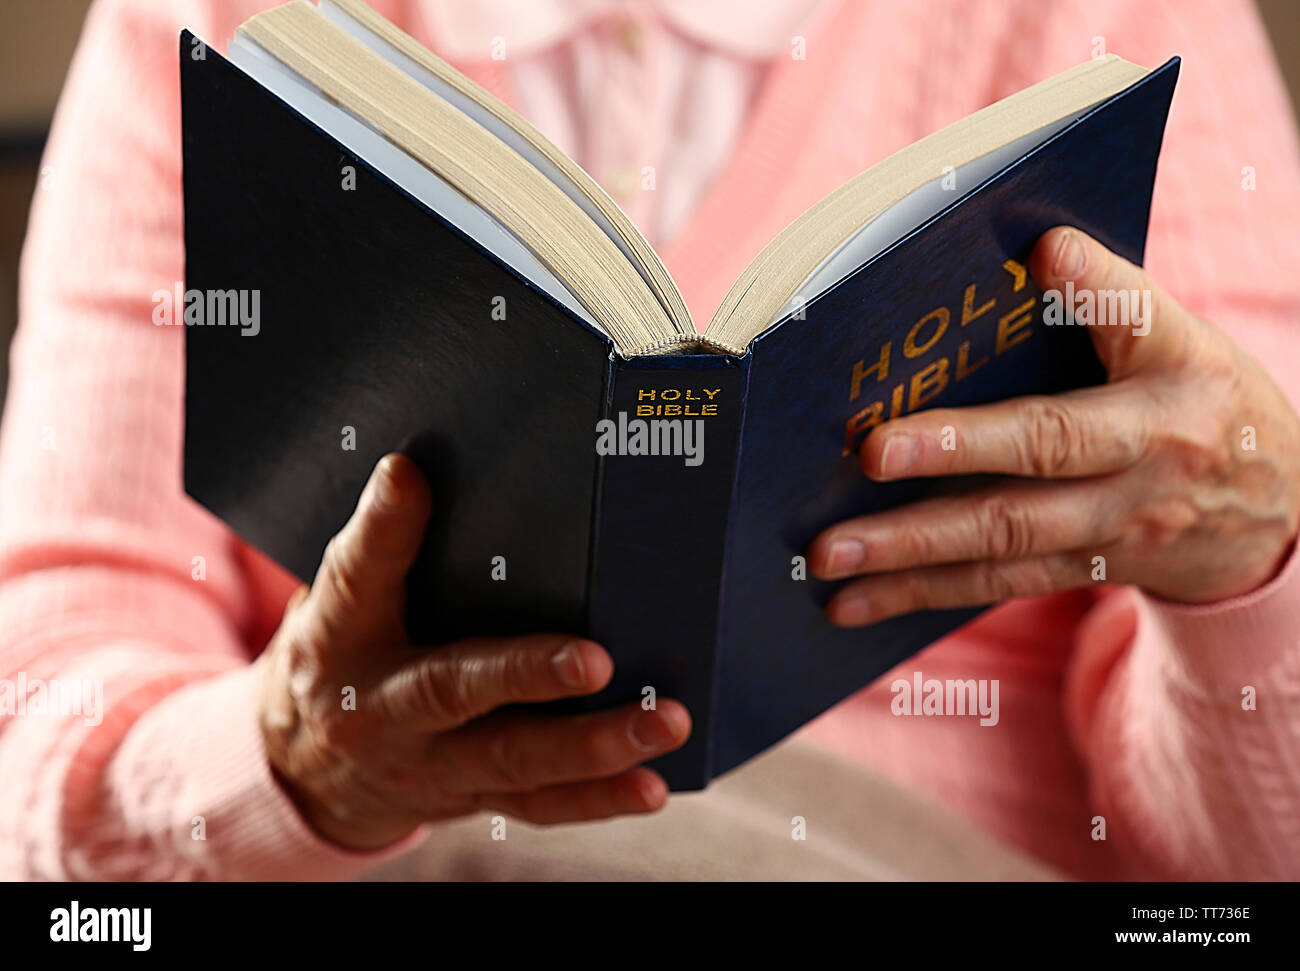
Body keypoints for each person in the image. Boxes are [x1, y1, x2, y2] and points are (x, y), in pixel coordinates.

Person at [1, 0, 1297, 880]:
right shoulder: (215, 27)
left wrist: (1249, 574)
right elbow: (41, 721)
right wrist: (289, 766)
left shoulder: (1113, 17)